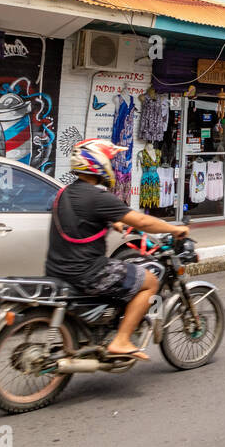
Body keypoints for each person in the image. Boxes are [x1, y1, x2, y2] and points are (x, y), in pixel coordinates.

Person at [47, 138, 189, 360]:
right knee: (149, 282)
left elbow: (80, 218)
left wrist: (112, 221)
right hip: (88, 272)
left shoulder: (64, 193)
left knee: (127, 274)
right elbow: (142, 221)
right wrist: (173, 228)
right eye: (109, 161)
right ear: (97, 162)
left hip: (58, 269)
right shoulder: (98, 197)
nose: (112, 166)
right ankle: (121, 340)